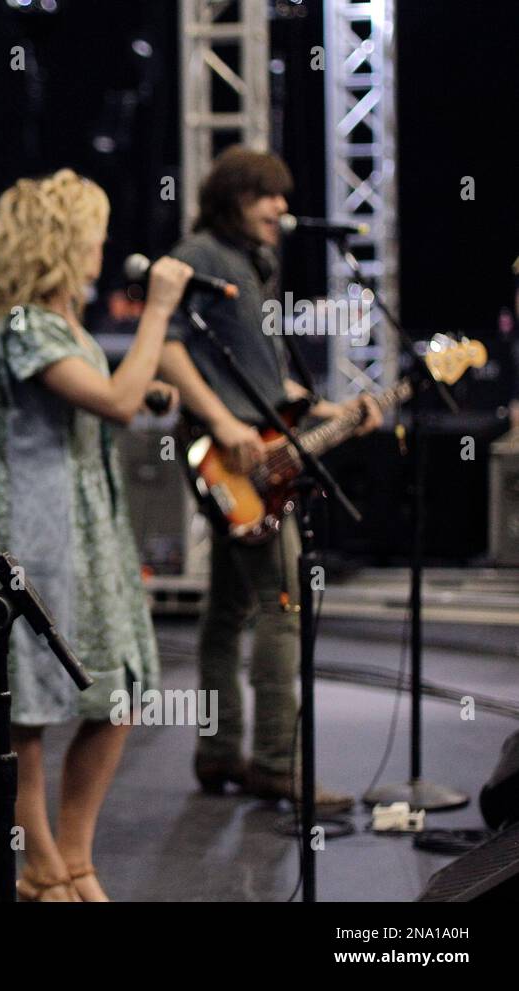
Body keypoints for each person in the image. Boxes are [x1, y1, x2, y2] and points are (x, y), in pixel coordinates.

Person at [0, 169, 192, 902]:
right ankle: (41, 866)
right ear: (60, 241)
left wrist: (146, 386)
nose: (101, 250)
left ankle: (76, 860)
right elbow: (114, 401)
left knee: (118, 690)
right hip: (34, 531)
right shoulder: (24, 325)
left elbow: (107, 398)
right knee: (28, 706)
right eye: (93, 235)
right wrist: (158, 311)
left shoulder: (65, 327)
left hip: (89, 527)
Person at [156, 146, 381, 812]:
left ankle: (219, 751)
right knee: (283, 603)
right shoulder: (200, 254)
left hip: (253, 447)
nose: (282, 208)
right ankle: (278, 761)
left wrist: (328, 410)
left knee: (230, 607)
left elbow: (264, 379)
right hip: (227, 455)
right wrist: (223, 420)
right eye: (269, 196)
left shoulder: (252, 265)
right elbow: (167, 347)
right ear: (234, 197)